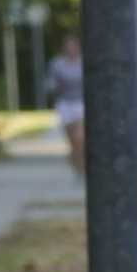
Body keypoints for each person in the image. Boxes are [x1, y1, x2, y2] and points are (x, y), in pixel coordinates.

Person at [47, 35, 85, 177]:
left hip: (80, 102)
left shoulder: (83, 62)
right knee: (72, 140)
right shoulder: (57, 64)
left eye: (73, 46)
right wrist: (55, 87)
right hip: (65, 103)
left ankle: (81, 165)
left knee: (80, 137)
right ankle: (77, 164)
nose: (70, 49)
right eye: (68, 46)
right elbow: (50, 83)